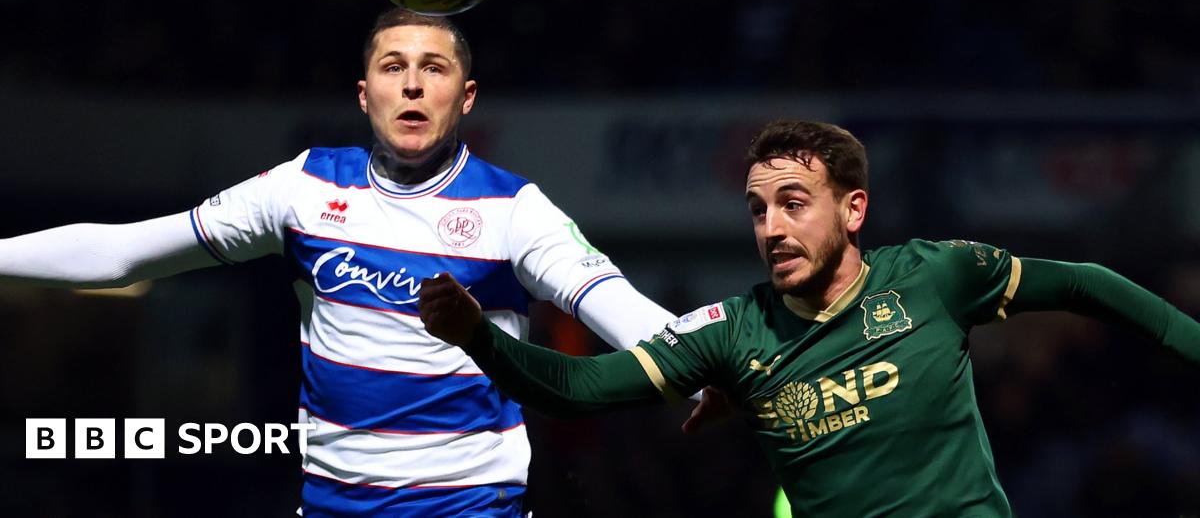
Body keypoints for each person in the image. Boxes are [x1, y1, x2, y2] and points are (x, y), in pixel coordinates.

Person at [0, 9, 700, 517]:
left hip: (470, 508)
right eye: (394, 68)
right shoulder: (303, 187)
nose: (414, 85)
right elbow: (126, 251)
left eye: (435, 69)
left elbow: (618, 308)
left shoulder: (515, 209)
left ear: (467, 95)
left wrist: (709, 375)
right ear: (365, 94)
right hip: (332, 507)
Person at [419, 119, 1200, 517]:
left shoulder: (936, 276)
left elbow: (1088, 284)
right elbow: (579, 387)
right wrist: (480, 337)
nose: (771, 228)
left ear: (854, 208)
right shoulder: (730, 329)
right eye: (758, 209)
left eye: (793, 204)